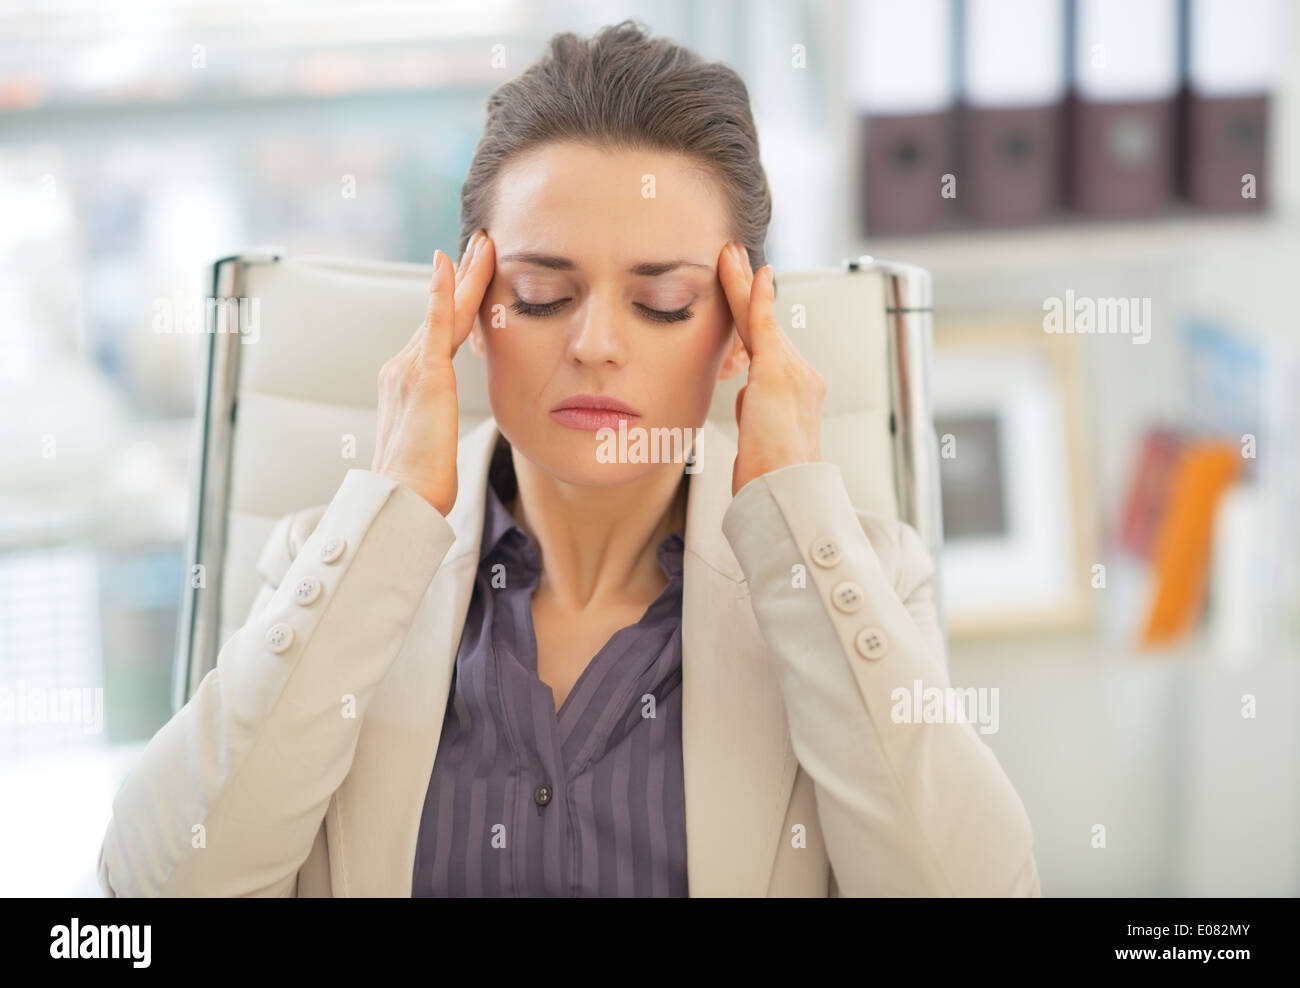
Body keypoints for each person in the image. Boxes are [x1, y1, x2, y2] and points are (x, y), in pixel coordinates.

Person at [97, 19, 1040, 897]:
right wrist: (389, 516)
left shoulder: (860, 576)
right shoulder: (325, 561)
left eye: (662, 303)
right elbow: (155, 885)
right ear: (472, 314)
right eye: (542, 292)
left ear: (743, 329)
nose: (595, 344)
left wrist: (795, 518)